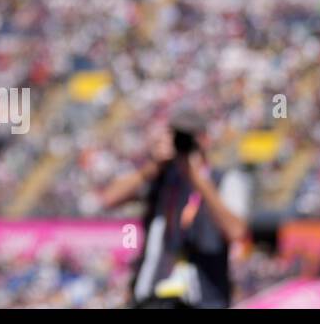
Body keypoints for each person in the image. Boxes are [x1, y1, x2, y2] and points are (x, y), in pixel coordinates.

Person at [99, 105, 251, 309]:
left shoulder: (224, 180)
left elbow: (237, 231)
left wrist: (197, 179)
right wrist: (152, 166)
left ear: (205, 140)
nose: (182, 143)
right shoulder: (161, 177)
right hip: (151, 297)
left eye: (188, 137)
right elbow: (109, 199)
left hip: (203, 299)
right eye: (176, 136)